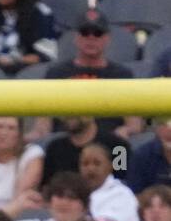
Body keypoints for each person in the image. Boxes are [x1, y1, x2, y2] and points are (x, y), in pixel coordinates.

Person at [42, 9, 140, 142]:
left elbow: (134, 125)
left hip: (109, 143)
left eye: (97, 33)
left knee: (121, 156)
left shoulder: (122, 75)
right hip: (66, 144)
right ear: (76, 37)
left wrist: (126, 130)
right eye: (85, 32)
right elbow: (42, 127)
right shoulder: (56, 74)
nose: (91, 38)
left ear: (107, 38)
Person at [79, 141, 141, 221]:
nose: (90, 169)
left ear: (110, 166)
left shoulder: (122, 194)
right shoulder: (76, 195)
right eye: (85, 164)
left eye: (97, 163)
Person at [126, 120, 171, 195]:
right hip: (152, 204)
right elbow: (135, 195)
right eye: (165, 126)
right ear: (157, 130)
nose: (169, 132)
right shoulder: (141, 155)